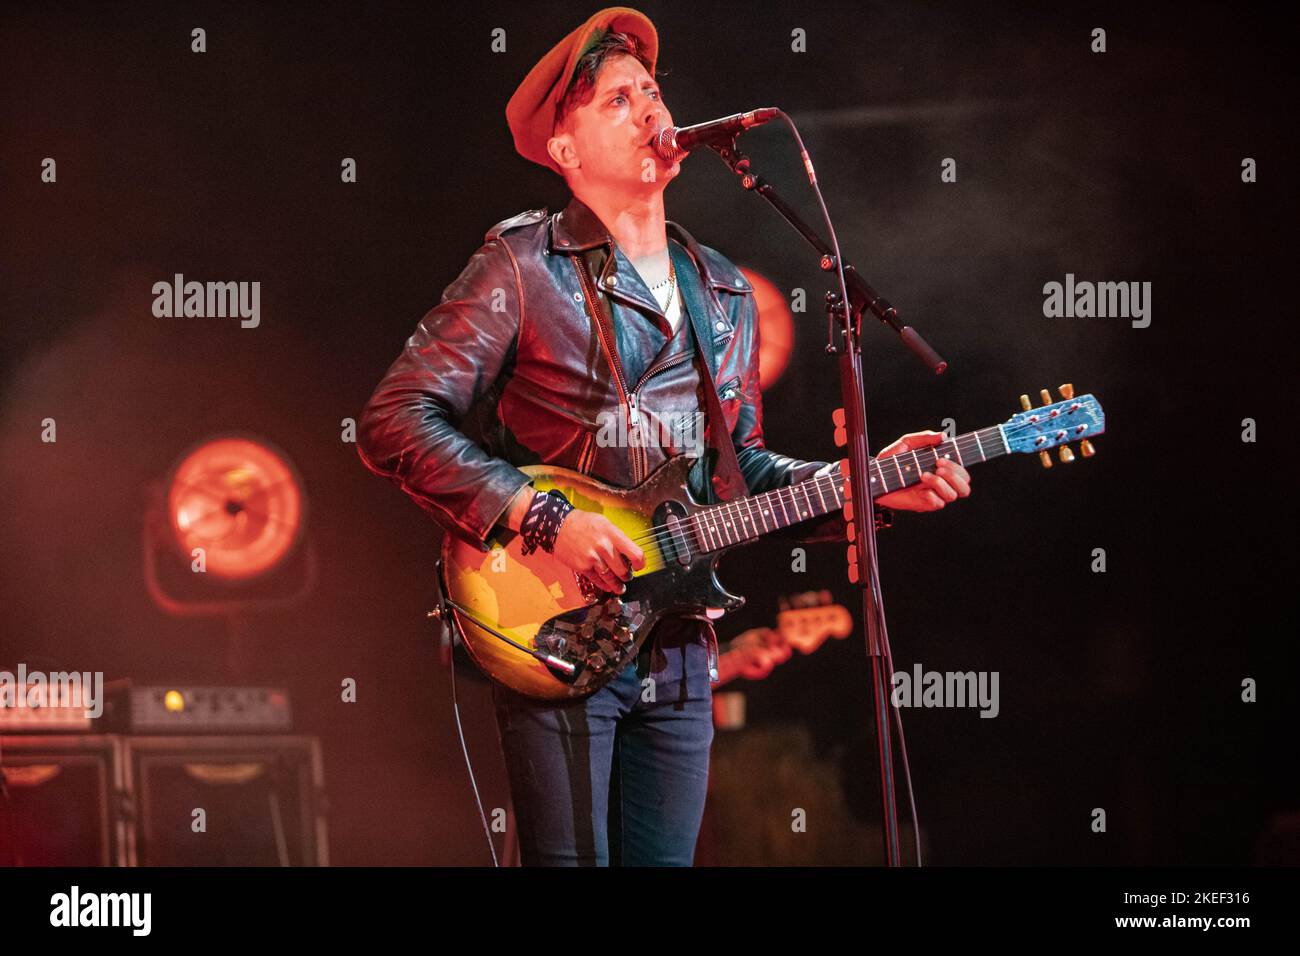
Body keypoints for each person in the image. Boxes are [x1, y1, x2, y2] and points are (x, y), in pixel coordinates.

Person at [356, 6, 971, 866]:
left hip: (680, 642)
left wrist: (865, 481)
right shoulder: (524, 267)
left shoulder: (721, 290)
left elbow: (740, 472)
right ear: (564, 151)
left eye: (652, 92)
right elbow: (393, 420)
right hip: (557, 625)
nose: (652, 110)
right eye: (618, 100)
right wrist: (544, 518)